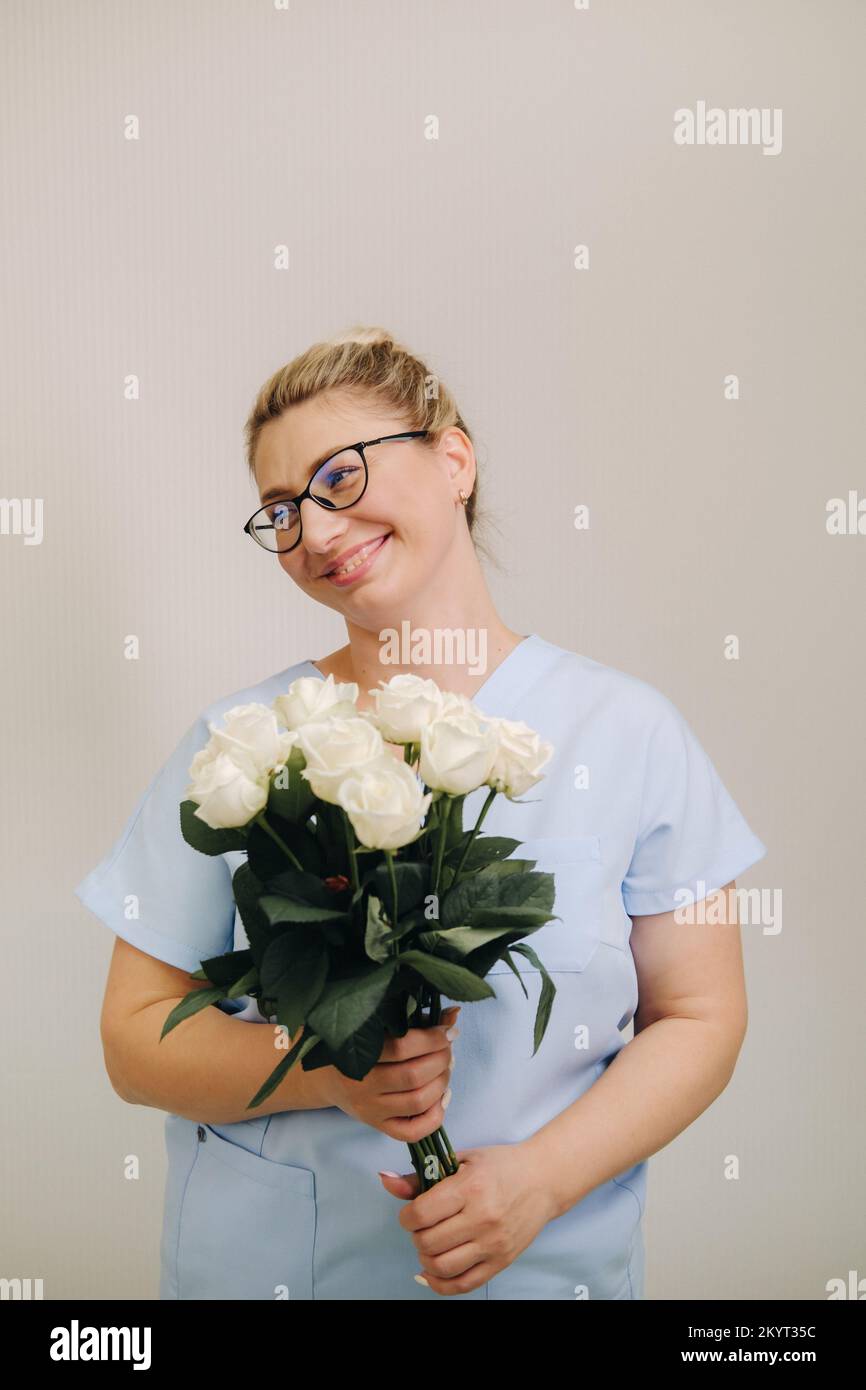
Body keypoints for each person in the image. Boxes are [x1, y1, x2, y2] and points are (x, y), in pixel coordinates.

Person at [74, 326, 768, 1300]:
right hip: (274, 1270)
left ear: (453, 459)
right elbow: (132, 1037)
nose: (312, 532)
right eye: (280, 510)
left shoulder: (628, 734)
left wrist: (542, 1179)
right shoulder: (243, 747)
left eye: (338, 478)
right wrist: (321, 1068)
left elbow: (700, 1015)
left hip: (542, 1272)